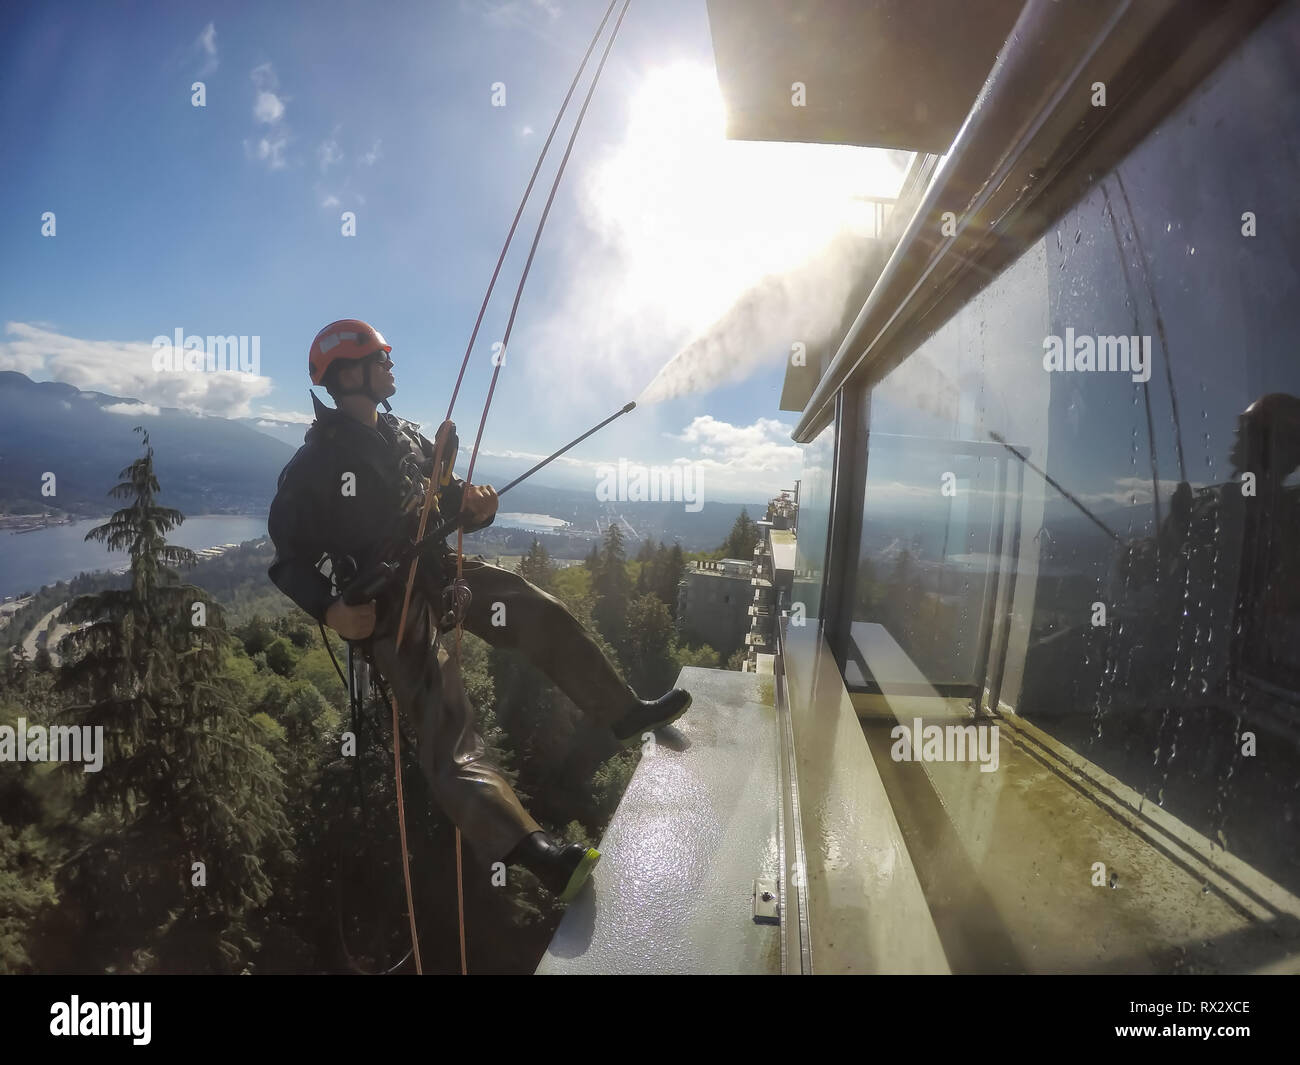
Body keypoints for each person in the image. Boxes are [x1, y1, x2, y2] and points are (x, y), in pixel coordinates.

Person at [266, 319, 692, 901]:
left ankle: (622, 713)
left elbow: (447, 500)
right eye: (379, 358)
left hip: (442, 575)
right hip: (387, 606)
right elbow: (289, 561)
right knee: (448, 730)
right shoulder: (314, 465)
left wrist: (476, 509)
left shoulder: (405, 437)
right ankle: (536, 853)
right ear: (347, 373)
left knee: (539, 612)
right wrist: (333, 610)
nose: (391, 365)